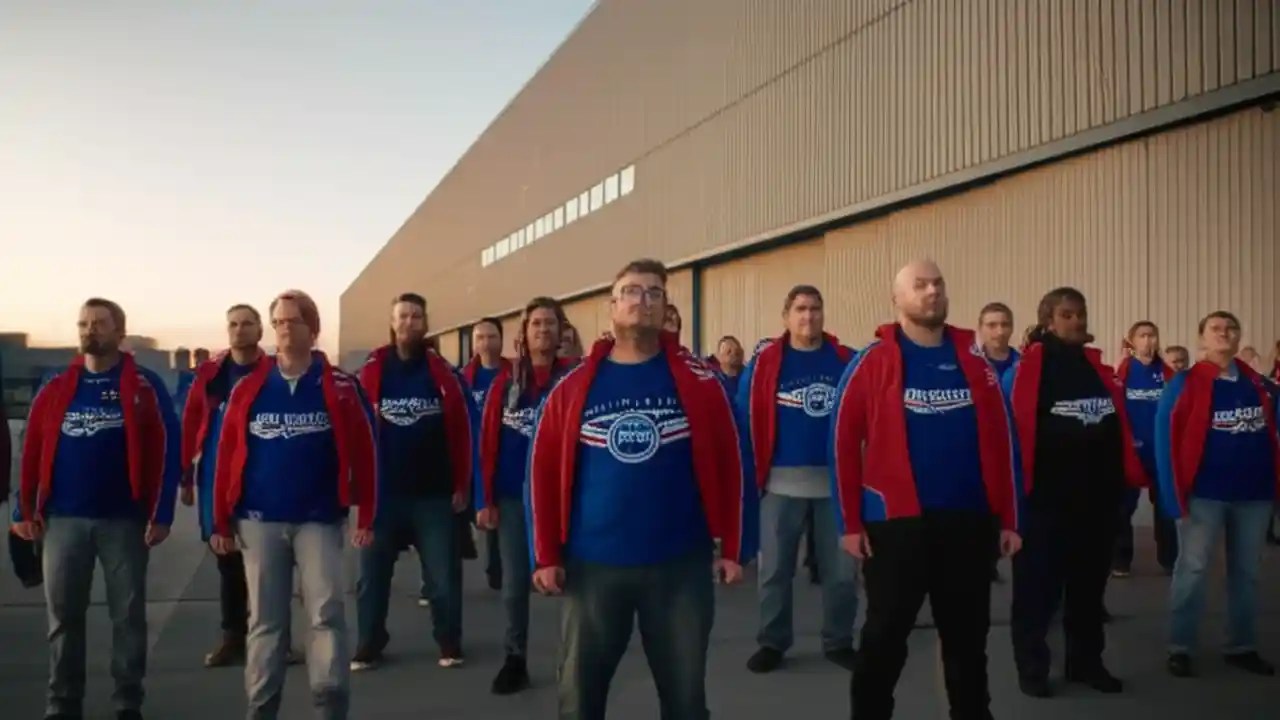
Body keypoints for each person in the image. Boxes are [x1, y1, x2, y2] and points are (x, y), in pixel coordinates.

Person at [528, 258, 756, 720]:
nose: (642, 301)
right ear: (612, 308)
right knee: (579, 698)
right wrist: (546, 555)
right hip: (593, 569)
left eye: (654, 293)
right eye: (631, 292)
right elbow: (541, 472)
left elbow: (735, 464)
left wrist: (735, 546)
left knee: (686, 700)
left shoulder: (702, 382)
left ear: (665, 308)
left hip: (679, 569)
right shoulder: (572, 388)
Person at [831, 260, 1020, 720]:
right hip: (897, 527)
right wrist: (849, 523)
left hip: (969, 524)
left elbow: (1004, 439)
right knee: (884, 639)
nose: (932, 292)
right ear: (897, 299)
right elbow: (840, 442)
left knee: (968, 641)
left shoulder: (973, 360)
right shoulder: (871, 361)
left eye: (938, 283)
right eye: (920, 286)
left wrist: (1011, 519)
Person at [210, 289, 376, 720]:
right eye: (279, 322)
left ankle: (329, 705)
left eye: (293, 321)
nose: (285, 329)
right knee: (265, 623)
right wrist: (220, 522)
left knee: (325, 615)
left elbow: (367, 452)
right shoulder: (249, 388)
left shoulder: (340, 386)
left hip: (319, 521)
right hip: (259, 521)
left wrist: (368, 513)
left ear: (313, 329)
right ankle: (261, 708)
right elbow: (224, 456)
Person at [12, 297, 175, 720]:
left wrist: (162, 514)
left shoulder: (144, 385)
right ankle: (63, 703)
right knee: (63, 618)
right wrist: (22, 510)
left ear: (119, 332)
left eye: (100, 323)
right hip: (63, 520)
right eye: (84, 323)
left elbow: (166, 452)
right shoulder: (55, 386)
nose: (90, 330)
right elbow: (31, 451)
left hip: (124, 520)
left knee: (128, 616)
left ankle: (126, 702)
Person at [1004, 287, 1147, 698]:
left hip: (1098, 504)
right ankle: (1032, 669)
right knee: (1037, 595)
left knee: (1087, 594)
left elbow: (1116, 425)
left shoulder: (1096, 367)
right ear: (1049, 320)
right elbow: (1009, 438)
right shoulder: (1027, 371)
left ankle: (1086, 663)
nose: (1077, 322)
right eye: (1067, 315)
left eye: (1080, 314)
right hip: (1044, 506)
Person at [738, 284, 858, 674]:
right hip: (779, 485)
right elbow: (743, 417)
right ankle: (773, 642)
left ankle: (839, 640)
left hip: (835, 486)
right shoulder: (765, 364)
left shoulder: (845, 360)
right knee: (774, 572)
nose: (809, 317)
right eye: (801, 309)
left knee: (841, 573)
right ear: (786, 316)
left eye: (816, 309)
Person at [353, 292, 475, 671]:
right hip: (384, 496)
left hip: (434, 496)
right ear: (392, 323)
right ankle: (370, 642)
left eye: (416, 316)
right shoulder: (371, 374)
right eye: (402, 316)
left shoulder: (444, 375)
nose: (409, 322)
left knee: (443, 578)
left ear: (425, 324)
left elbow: (464, 431)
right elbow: (354, 434)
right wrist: (358, 495)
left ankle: (449, 641)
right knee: (372, 579)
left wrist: (462, 485)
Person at [1156, 310, 1278, 679]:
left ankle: (1241, 645)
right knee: (1192, 570)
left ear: (1239, 337)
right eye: (1216, 329)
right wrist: (1172, 497)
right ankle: (1181, 646)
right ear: (1201, 340)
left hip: (1254, 496)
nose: (1224, 333)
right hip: (1203, 496)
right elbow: (1166, 442)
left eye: (1231, 328)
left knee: (1247, 573)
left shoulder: (1259, 384)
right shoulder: (1184, 383)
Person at [475, 296, 578, 695]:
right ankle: (514, 658)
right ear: (524, 333)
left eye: (550, 324)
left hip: (566, 497)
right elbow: (487, 442)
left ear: (561, 331)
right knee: (516, 584)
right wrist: (485, 499)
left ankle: (575, 658)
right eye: (536, 324)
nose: (543, 331)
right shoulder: (507, 382)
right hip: (514, 497)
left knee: (574, 581)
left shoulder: (574, 379)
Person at [179, 305, 269, 667]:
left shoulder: (275, 372)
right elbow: (190, 423)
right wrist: (184, 475)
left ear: (261, 330)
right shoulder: (212, 376)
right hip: (218, 477)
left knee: (268, 567)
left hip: (264, 479)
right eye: (233, 324)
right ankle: (234, 638)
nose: (240, 330)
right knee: (228, 562)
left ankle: (274, 638)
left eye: (248, 323)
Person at [1114, 321, 1177, 576]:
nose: (1148, 341)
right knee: (1122, 508)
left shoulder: (1167, 373)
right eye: (1143, 336)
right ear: (1132, 341)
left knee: (1165, 509)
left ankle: (1170, 559)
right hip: (1131, 452)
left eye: (1153, 335)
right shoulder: (1124, 372)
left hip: (1161, 453)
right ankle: (1120, 560)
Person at [460, 317, 512, 593]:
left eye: (492, 337)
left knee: (494, 516)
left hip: (498, 454)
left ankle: (497, 568)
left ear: (501, 340)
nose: (486, 343)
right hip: (468, 458)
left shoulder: (513, 375)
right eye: (480, 337)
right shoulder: (464, 378)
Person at [977, 301, 1019, 582]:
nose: (999, 331)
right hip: (981, 451)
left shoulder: (1023, 365)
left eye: (1004, 324)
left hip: (1016, 451)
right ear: (981, 329)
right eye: (992, 325)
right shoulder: (970, 365)